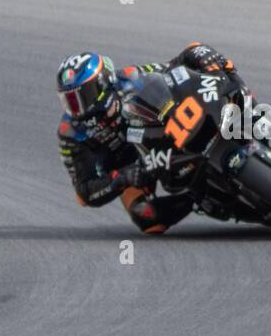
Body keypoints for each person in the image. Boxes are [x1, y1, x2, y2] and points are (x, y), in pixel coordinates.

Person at [56, 42, 239, 234]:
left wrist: (198, 54)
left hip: (161, 135)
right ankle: (198, 197)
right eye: (69, 102)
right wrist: (121, 178)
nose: (77, 109)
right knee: (147, 217)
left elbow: (172, 69)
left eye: (82, 97)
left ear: (102, 83)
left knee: (212, 68)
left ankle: (247, 118)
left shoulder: (129, 77)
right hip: (131, 167)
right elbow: (84, 193)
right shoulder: (70, 132)